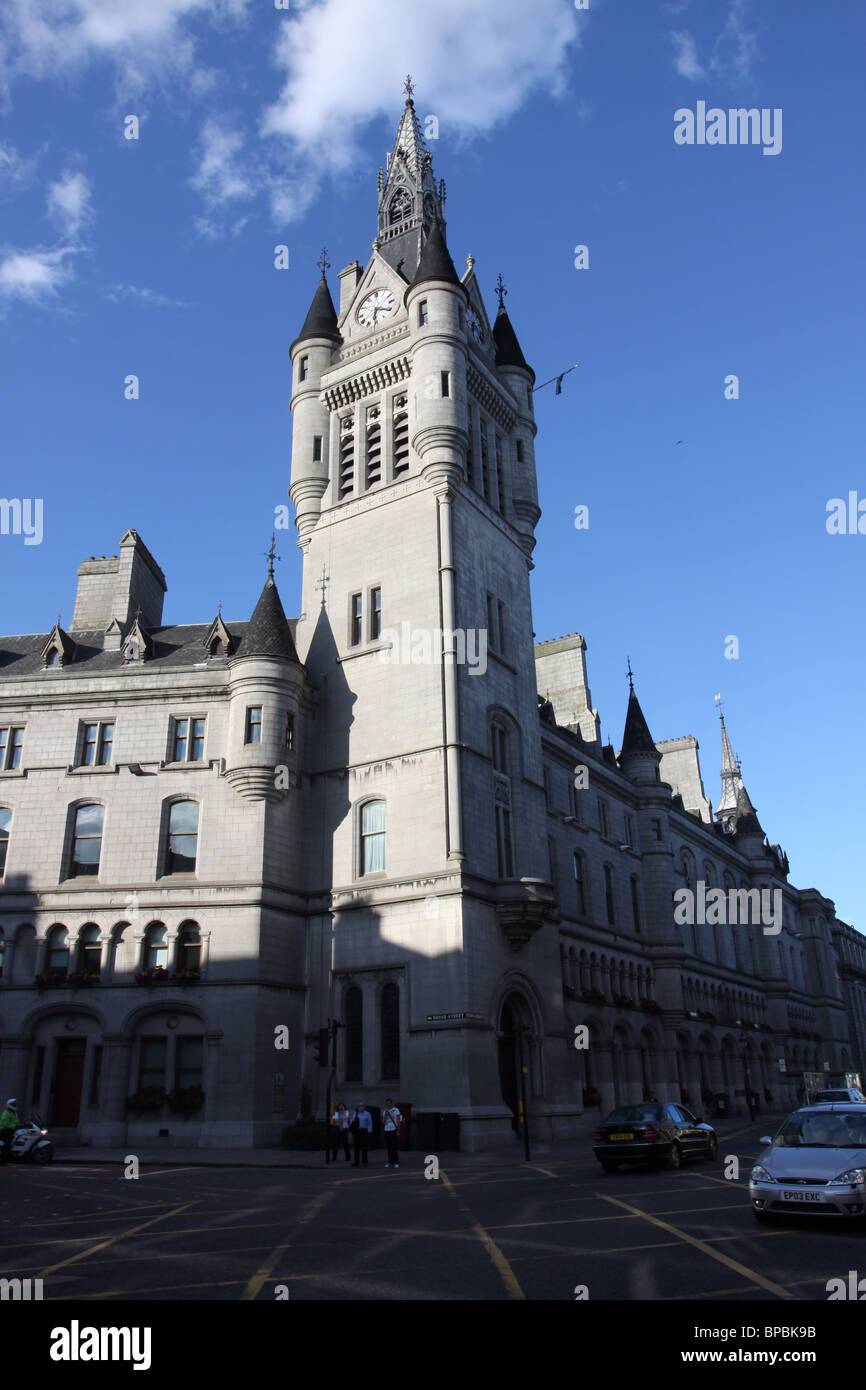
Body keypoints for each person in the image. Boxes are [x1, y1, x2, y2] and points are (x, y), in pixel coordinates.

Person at [382, 1098, 402, 1169]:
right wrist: (385, 1114)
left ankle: (396, 1162)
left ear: (391, 1103)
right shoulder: (385, 1111)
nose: (388, 1105)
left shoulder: (396, 1110)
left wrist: (398, 1130)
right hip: (386, 1129)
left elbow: (398, 1120)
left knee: (394, 1146)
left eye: (389, 1103)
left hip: (393, 1129)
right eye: (386, 1103)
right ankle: (390, 1162)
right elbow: (383, 1122)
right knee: (389, 1147)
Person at [351, 1102, 372, 1167]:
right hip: (357, 1131)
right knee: (356, 1147)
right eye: (359, 1106)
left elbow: (370, 1123)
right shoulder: (355, 1113)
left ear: (364, 1107)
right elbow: (352, 1121)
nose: (361, 1107)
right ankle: (356, 1161)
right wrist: (353, 1121)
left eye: (362, 1106)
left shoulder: (367, 1114)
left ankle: (365, 1162)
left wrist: (369, 1131)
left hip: (364, 1131)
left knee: (364, 1148)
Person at [0, 1099, 19, 1164]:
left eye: (15, 1104)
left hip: (11, 1130)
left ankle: (10, 1158)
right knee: (6, 1145)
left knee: (11, 1144)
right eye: (13, 1104)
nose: (15, 1105)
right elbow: (5, 1124)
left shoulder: (14, 1113)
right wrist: (14, 1126)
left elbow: (16, 1121)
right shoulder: (7, 1113)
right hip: (5, 1130)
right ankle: (2, 1160)